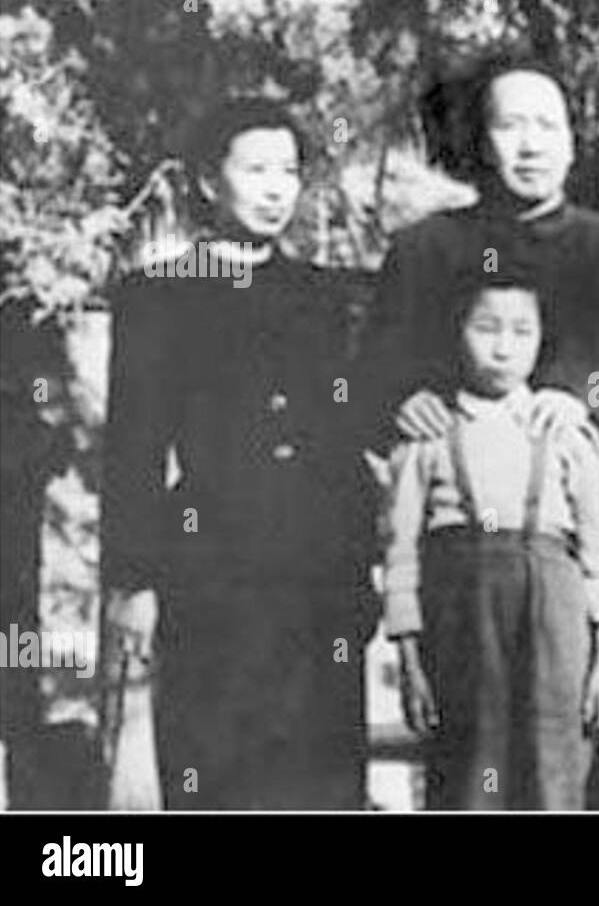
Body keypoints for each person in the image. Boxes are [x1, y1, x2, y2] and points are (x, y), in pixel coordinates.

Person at [367, 55, 599, 809]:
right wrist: (401, 402)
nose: (531, 143)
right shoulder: (424, 253)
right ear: (479, 140)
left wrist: (587, 402)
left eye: (548, 125)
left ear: (575, 141)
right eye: (510, 124)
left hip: (582, 572)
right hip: (460, 584)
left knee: (578, 778)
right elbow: (361, 382)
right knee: (467, 779)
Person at [100, 97, 381, 809]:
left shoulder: (326, 297)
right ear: (206, 181)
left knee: (322, 783)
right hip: (211, 577)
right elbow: (133, 449)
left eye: (288, 170)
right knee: (216, 772)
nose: (275, 188)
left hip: (320, 581)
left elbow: (346, 437)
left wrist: (363, 567)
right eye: (256, 170)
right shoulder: (157, 298)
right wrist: (133, 582)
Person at [381, 270, 599, 810]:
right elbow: (399, 554)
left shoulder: (566, 430)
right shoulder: (427, 433)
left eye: (522, 331)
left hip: (554, 619)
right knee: (468, 771)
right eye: (486, 328)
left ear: (541, 341)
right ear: (456, 333)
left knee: (553, 768)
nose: (503, 346)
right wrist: (410, 657)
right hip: (461, 620)